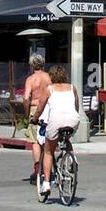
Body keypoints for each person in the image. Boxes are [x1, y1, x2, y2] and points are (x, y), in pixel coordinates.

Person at [33, 64, 81, 197]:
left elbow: (40, 108)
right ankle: (73, 160)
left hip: (56, 120)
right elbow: (76, 105)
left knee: (48, 151)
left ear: (52, 76)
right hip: (73, 119)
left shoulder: (49, 89)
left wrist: (34, 119)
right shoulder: (72, 88)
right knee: (66, 139)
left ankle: (47, 183)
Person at [22, 55, 51, 183]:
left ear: (32, 65)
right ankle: (47, 167)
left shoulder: (31, 79)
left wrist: (27, 113)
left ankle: (38, 168)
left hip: (35, 108)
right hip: (47, 108)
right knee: (45, 139)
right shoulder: (48, 77)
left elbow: (26, 98)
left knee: (35, 141)